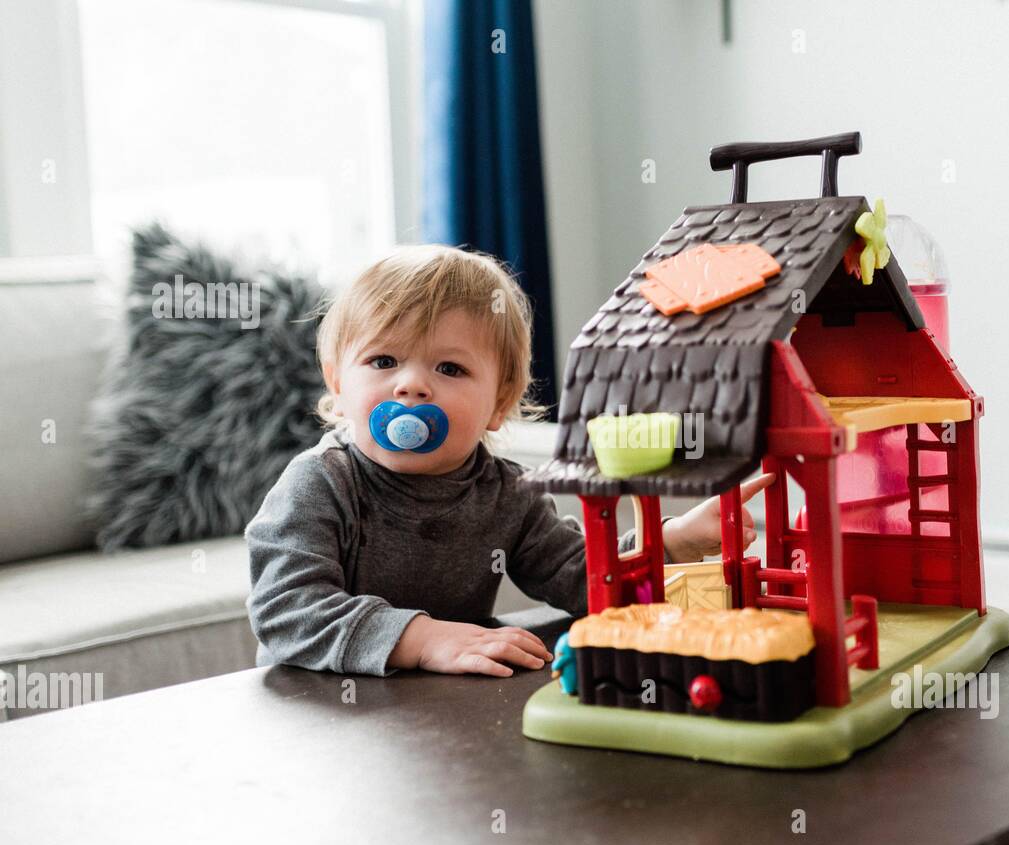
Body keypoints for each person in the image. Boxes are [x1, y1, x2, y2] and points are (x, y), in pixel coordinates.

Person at [245, 245, 771, 678]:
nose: (411, 384)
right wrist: (422, 637)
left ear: (498, 406)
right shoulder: (321, 483)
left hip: (443, 705)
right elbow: (286, 609)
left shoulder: (507, 493)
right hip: (320, 708)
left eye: (449, 367)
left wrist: (670, 541)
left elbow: (578, 574)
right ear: (339, 385)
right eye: (384, 361)